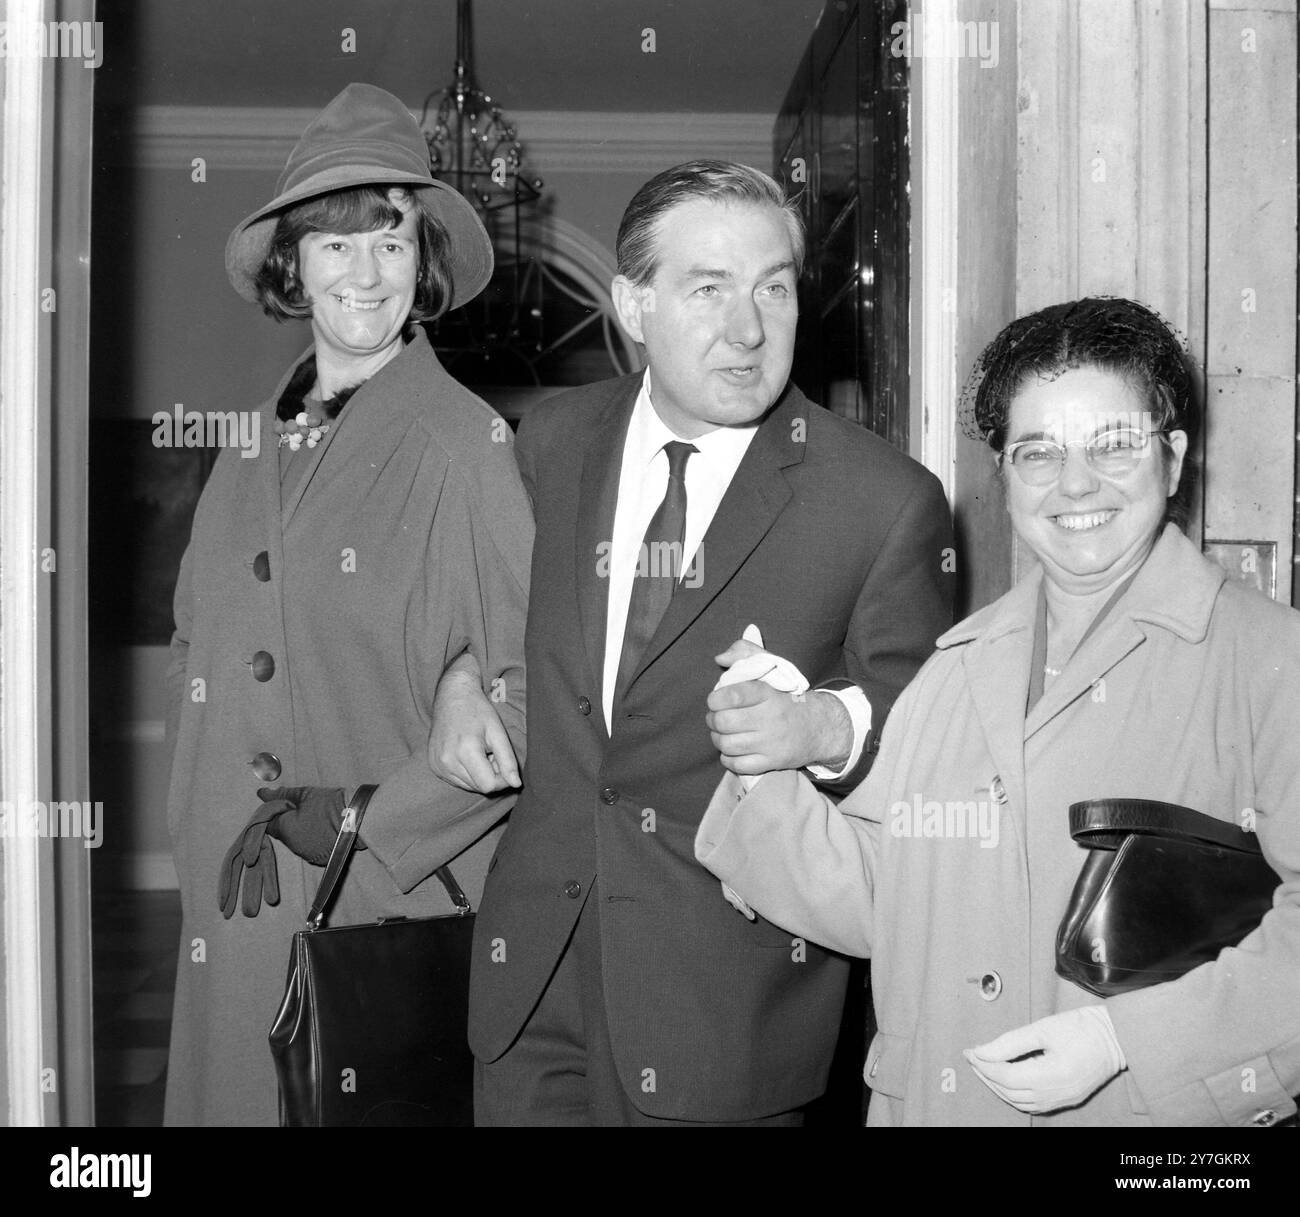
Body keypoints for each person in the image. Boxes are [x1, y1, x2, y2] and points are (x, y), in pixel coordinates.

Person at [696, 297, 1300, 1126]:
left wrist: (1127, 1038)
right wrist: (766, 765)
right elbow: (892, 900)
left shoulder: (1270, 662)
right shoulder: (958, 668)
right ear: (1005, 476)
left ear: (1175, 456)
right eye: (1037, 452)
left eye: (1114, 445)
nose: (1075, 483)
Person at [459, 160, 955, 1125]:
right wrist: (458, 676)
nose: (749, 329)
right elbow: (480, 609)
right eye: (708, 288)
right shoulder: (548, 442)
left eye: (773, 286)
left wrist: (823, 724)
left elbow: (932, 731)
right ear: (632, 306)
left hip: (721, 1017)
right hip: (530, 994)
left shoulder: (884, 500)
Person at [163, 83, 532, 1126]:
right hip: (230, 912)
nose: (365, 272)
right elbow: (200, 634)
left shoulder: (463, 447)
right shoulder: (248, 450)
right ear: (293, 266)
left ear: (426, 262)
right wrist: (197, 807)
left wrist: (372, 818)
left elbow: (533, 699)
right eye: (334, 245)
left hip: (369, 912)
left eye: (391, 239)